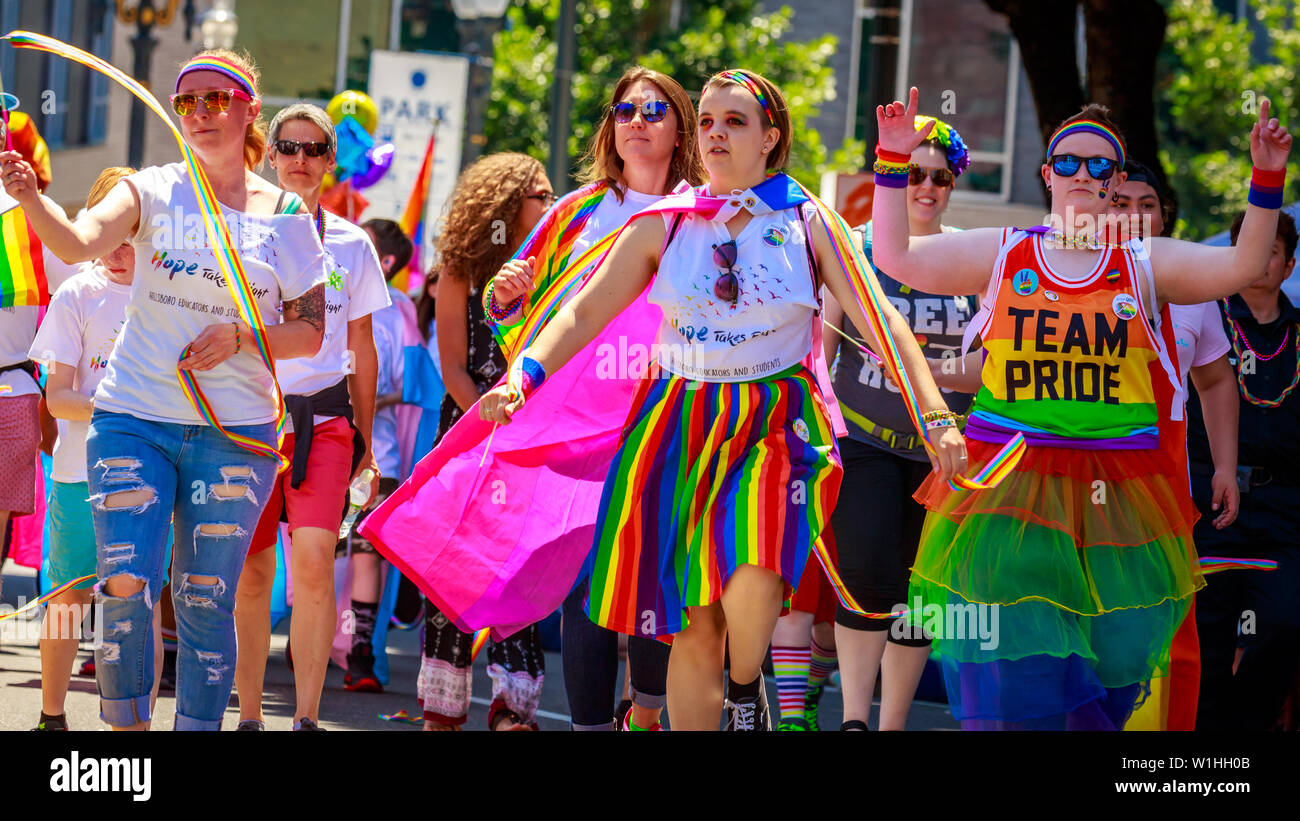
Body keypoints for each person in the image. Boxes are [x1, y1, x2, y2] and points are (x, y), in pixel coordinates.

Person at [477, 69, 965, 731]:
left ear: (770, 136)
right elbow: (583, 313)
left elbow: (882, 319)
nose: (714, 134)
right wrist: (522, 377)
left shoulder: (807, 218)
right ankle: (726, 699)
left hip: (776, 421)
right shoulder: (667, 223)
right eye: (706, 121)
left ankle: (744, 687)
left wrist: (935, 415)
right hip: (677, 421)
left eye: (734, 121)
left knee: (754, 565)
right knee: (693, 620)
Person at [870, 87, 1291, 729]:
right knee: (1025, 672)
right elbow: (895, 256)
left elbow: (1243, 263)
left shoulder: (1144, 264)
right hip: (1008, 488)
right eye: (1068, 161)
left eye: (1100, 165)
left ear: (1116, 182)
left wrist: (1266, 177)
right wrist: (892, 160)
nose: (1083, 175)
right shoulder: (1006, 251)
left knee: (1110, 678)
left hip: (1118, 488)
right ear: (1047, 174)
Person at [1, 49, 326, 730]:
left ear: (249, 109)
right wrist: (30, 194)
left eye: (217, 99)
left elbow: (310, 333)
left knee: (206, 597)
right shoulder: (152, 188)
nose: (201, 113)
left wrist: (243, 337)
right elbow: (82, 238)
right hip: (133, 417)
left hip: (233, 431)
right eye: (187, 102)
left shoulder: (288, 212)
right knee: (123, 587)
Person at [484, 66, 705, 732]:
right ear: (610, 127)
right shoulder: (575, 213)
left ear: (679, 129)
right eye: (625, 109)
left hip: (669, 418)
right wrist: (505, 292)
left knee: (648, 572)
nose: (637, 119)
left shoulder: (703, 212)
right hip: (579, 426)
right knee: (583, 580)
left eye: (654, 109)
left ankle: (645, 710)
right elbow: (519, 316)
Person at [804, 115, 980, 732]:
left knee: (921, 595)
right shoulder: (855, 246)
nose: (926, 187)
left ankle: (892, 724)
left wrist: (923, 369)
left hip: (941, 453)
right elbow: (822, 353)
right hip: (865, 444)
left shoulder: (969, 260)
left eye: (940, 176)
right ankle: (854, 719)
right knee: (867, 580)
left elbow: (987, 367)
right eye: (913, 173)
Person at [233, 102, 389, 731]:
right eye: (287, 147)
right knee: (250, 571)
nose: (299, 159)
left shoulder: (353, 243)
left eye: (313, 149)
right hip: (248, 418)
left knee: (315, 562)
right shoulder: (240, 229)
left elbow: (364, 348)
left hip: (324, 420)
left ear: (329, 161)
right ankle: (247, 717)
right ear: (270, 156)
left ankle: (305, 718)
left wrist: (367, 442)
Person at [419, 152, 555, 731]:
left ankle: (509, 709)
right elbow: (452, 364)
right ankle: (443, 709)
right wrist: (486, 414)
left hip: (532, 433)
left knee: (516, 566)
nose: (550, 206)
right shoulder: (462, 265)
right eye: (540, 195)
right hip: (468, 429)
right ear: (506, 202)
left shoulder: (557, 263)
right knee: (453, 566)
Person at [1109, 160, 1239, 731]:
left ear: (1164, 216)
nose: (1135, 215)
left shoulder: (1191, 290)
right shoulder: (1073, 279)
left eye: (1148, 205)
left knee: (1168, 632)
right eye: (1122, 203)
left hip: (1164, 490)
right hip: (1082, 480)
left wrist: (1227, 467)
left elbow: (1214, 380)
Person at [28, 167, 146, 731]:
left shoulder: (167, 294)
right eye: (109, 234)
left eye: (132, 235)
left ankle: (126, 721)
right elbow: (58, 399)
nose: (120, 250)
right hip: (79, 476)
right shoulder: (77, 292)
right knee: (66, 601)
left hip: (148, 481)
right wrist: (117, 411)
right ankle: (52, 715)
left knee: (131, 606)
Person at [1189, 210, 1300, 730]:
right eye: (1251, 249)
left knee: (1281, 627)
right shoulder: (1201, 318)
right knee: (1206, 635)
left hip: (1284, 514)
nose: (1260, 261)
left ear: (1288, 263)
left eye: (1271, 251)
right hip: (1210, 504)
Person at [334, 216, 417, 692]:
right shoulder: (324, 289)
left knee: (364, 555)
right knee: (322, 552)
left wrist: (362, 395)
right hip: (319, 443)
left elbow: (405, 386)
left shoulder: (395, 313)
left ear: (382, 261)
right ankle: (329, 646)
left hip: (374, 454)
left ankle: (361, 653)